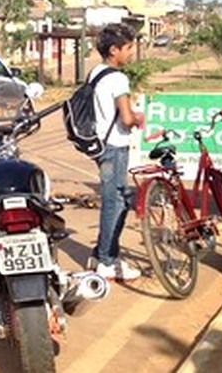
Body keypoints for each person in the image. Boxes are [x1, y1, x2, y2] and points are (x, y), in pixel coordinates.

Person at [88, 22, 144, 282]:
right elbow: (125, 118)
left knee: (114, 199)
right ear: (114, 50)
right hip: (115, 147)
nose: (131, 52)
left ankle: (101, 254)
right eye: (129, 47)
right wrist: (137, 117)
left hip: (100, 145)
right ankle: (107, 262)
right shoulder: (119, 79)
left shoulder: (96, 73)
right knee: (115, 202)